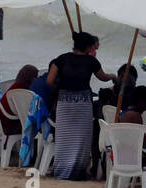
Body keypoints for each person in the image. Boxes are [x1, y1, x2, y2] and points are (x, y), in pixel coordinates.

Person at [46, 31, 118, 180]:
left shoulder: (61, 59)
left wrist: (64, 85)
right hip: (83, 104)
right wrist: (113, 76)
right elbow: (103, 77)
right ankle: (77, 171)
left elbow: (49, 81)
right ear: (87, 46)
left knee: (64, 138)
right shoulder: (91, 61)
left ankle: (62, 170)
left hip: (64, 103)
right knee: (81, 138)